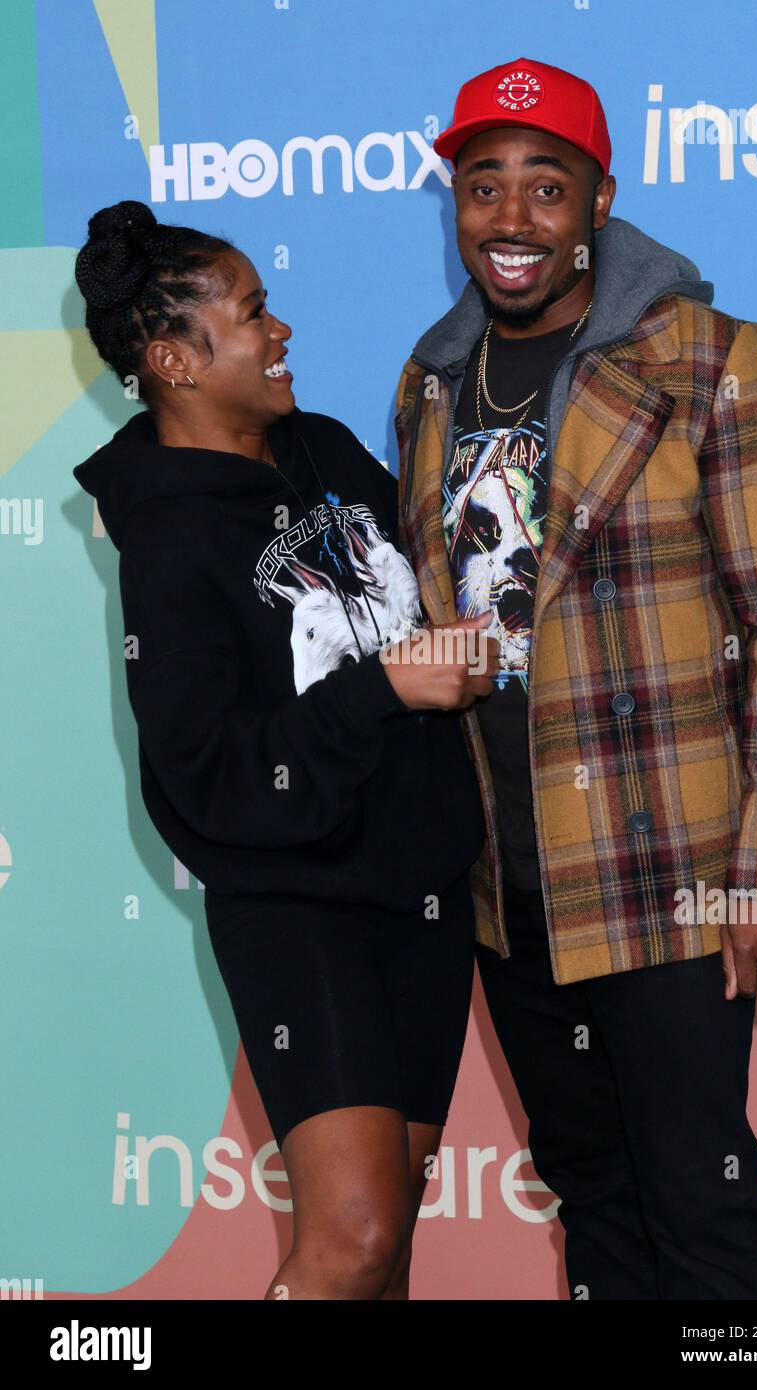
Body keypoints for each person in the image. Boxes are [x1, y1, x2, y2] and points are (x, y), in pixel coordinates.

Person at [395, 59, 757, 1299]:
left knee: (698, 1210)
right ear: (455, 206)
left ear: (599, 198)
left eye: (546, 185)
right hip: (508, 882)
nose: (511, 218)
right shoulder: (431, 386)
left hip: (671, 871)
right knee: (588, 1200)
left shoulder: (710, 361)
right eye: (483, 186)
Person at [72, 199, 499, 1300]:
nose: (281, 332)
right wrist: (380, 689)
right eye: (253, 314)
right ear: (171, 358)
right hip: (298, 904)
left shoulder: (321, 449)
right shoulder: (166, 541)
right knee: (347, 1242)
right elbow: (208, 772)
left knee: (386, 1249)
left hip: (421, 885)